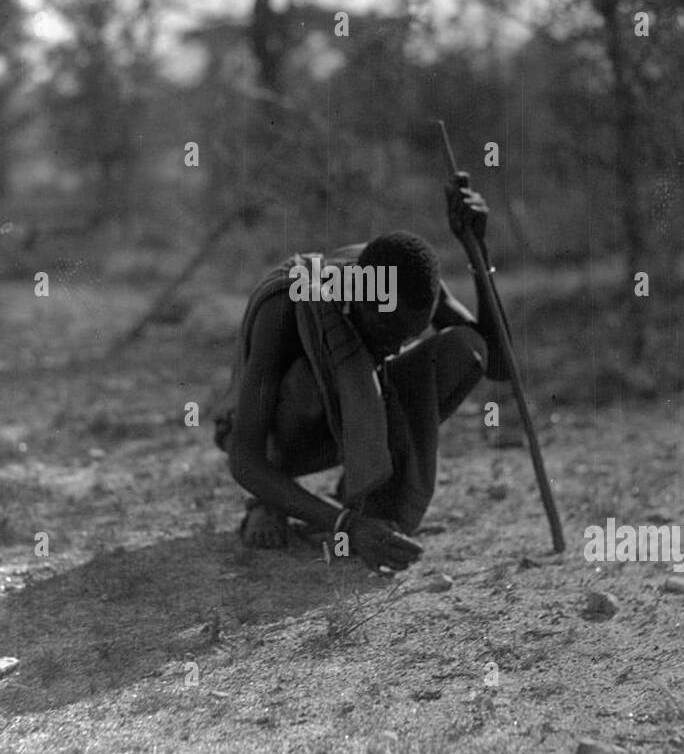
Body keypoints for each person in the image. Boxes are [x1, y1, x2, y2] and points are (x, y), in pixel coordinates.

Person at [213, 175, 510, 573]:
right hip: (278, 438)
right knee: (307, 381)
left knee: (465, 348)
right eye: (385, 333)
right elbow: (244, 456)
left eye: (407, 337)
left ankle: (373, 494)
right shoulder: (292, 304)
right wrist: (345, 526)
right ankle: (268, 501)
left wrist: (477, 253)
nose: (393, 347)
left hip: (352, 418)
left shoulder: (408, 284)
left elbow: (498, 365)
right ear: (356, 297)